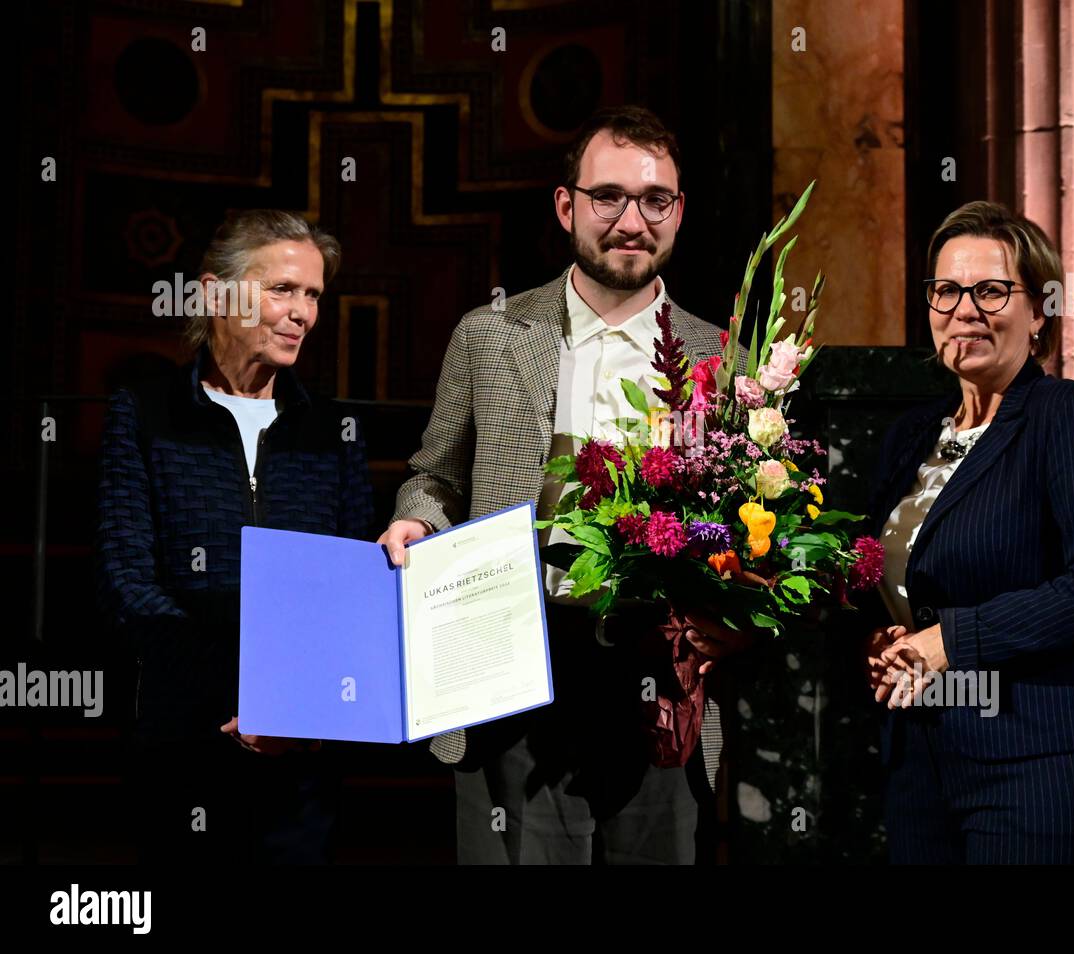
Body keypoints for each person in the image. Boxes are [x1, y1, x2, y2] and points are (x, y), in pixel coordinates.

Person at [379, 105, 748, 864]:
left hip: (658, 678)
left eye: (655, 200)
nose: (632, 220)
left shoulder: (726, 356)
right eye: (608, 196)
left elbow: (749, 521)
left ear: (677, 212)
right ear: (566, 205)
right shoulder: (490, 335)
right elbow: (435, 475)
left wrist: (732, 613)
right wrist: (416, 520)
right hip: (512, 667)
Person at [863, 200, 1074, 863]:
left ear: (1039, 309)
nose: (966, 309)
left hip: (1040, 759)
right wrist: (886, 637)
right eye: (946, 291)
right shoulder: (911, 436)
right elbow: (903, 580)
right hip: (921, 758)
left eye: (991, 290)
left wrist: (953, 643)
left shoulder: (1068, 415)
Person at [96, 210, 373, 863]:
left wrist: (291, 708)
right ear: (214, 293)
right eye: (282, 289)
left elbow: (355, 584)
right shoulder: (144, 413)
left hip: (301, 755)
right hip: (183, 740)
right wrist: (240, 692)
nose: (302, 313)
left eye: (312, 295)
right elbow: (125, 581)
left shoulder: (333, 432)